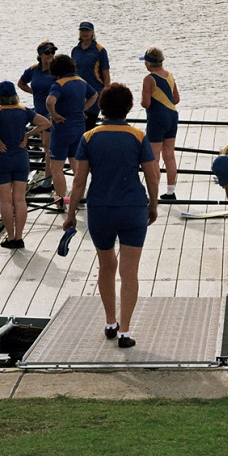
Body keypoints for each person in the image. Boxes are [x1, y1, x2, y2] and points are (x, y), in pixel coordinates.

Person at [63, 83, 159, 349]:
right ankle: (125, 332)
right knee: (130, 272)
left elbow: (79, 182)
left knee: (106, 266)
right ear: (128, 108)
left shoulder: (89, 137)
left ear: (102, 107)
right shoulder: (139, 137)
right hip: (132, 209)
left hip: (100, 210)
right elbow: (152, 176)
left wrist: (71, 214)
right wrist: (153, 204)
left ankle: (109, 322)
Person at [0, 81, 51, 249]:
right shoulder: (23, 111)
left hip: (2, 158)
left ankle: (10, 238)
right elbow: (46, 123)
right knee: (19, 199)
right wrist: (27, 135)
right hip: (20, 157)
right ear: (14, 96)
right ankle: (19, 237)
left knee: (5, 200)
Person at [46, 54, 98, 207]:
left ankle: (60, 201)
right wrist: (82, 109)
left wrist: (54, 115)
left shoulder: (59, 84)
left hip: (62, 129)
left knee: (56, 168)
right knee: (76, 165)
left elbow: (50, 101)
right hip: (79, 128)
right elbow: (94, 95)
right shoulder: (81, 81)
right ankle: (79, 198)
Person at [140, 46, 181, 200]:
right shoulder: (169, 75)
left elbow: (146, 103)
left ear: (149, 63)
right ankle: (171, 192)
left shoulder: (149, 79)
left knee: (154, 157)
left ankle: (154, 192)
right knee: (169, 155)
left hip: (157, 118)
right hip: (172, 116)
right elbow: (176, 99)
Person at [18, 41, 58, 193]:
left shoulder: (57, 70)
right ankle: (51, 177)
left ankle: (48, 182)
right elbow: (21, 83)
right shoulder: (33, 70)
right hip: (39, 112)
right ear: (40, 55)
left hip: (53, 112)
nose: (50, 55)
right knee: (46, 146)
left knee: (48, 147)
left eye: (52, 52)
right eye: (47, 53)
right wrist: (33, 92)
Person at [71, 21, 110, 131]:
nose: (85, 33)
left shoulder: (100, 50)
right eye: (82, 30)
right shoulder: (75, 50)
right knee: (77, 125)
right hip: (79, 92)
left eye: (87, 30)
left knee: (88, 125)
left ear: (92, 32)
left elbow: (106, 76)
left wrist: (106, 96)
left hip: (95, 92)